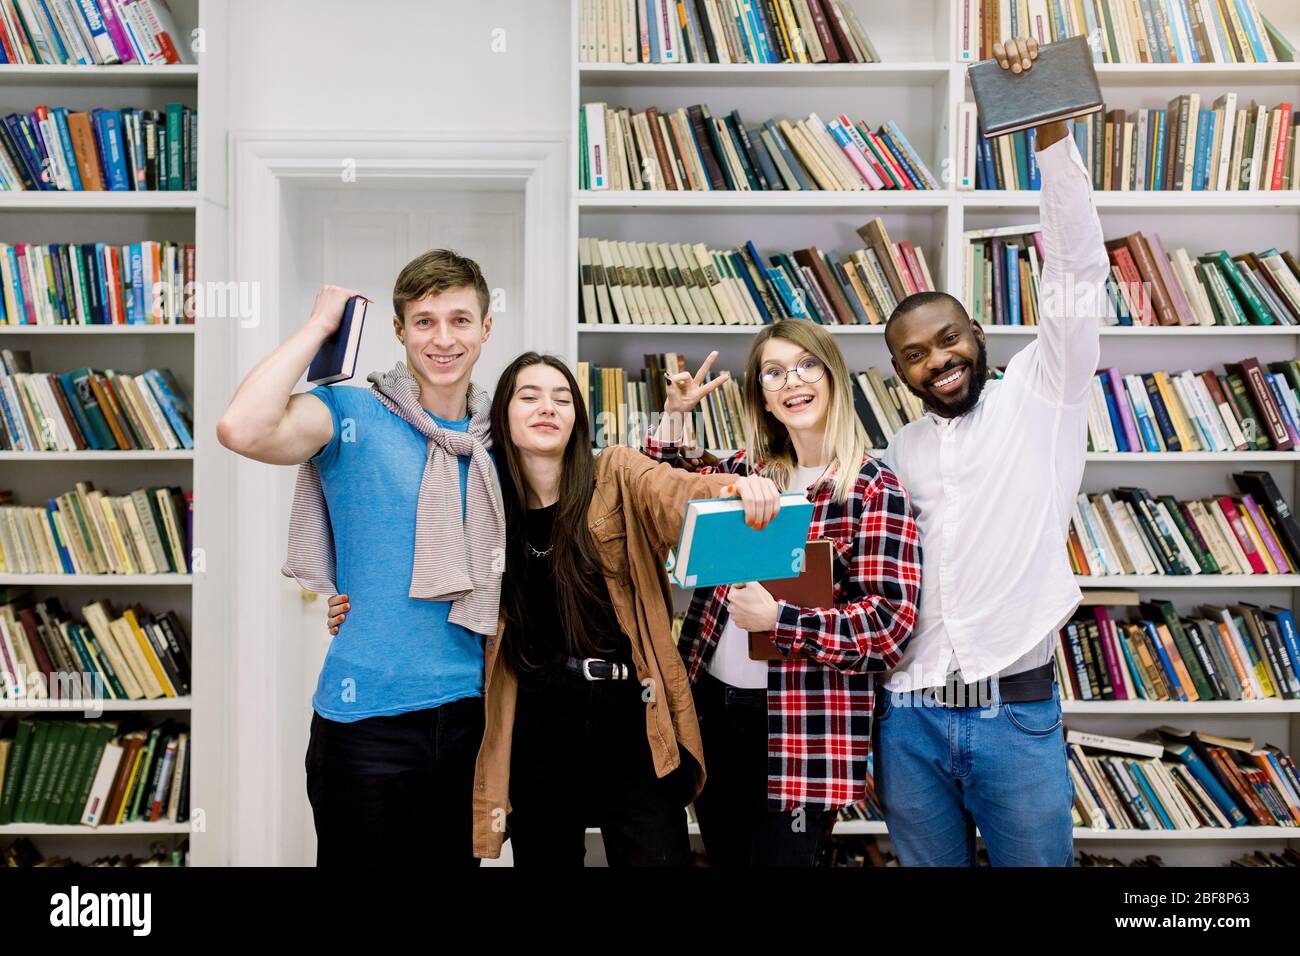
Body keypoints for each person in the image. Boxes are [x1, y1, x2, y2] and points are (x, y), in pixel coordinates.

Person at [327, 353, 785, 865]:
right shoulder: (480, 492)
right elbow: (422, 564)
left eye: (562, 398)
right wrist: (355, 606)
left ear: (577, 417)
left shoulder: (615, 472)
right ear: (502, 414)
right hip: (536, 718)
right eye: (529, 397)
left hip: (630, 712)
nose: (547, 408)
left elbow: (675, 492)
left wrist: (735, 488)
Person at [877, 36, 1109, 867]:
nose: (938, 360)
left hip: (1014, 718)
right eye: (916, 354)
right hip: (907, 720)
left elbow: (1077, 271)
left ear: (977, 336)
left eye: (949, 340)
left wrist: (1047, 126)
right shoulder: (894, 455)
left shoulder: (1042, 399)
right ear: (898, 371)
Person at [216, 249, 500, 866]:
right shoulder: (351, 413)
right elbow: (242, 427)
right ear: (398, 331)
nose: (443, 338)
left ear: (486, 328)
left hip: (471, 721)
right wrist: (319, 326)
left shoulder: (497, 441)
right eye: (424, 321)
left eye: (459, 319)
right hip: (364, 722)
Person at [644, 319, 922, 866]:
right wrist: (674, 418)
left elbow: (889, 626)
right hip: (714, 710)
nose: (792, 381)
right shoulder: (749, 471)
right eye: (774, 372)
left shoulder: (871, 487)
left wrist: (781, 620)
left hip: (803, 725)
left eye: (806, 365)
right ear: (763, 398)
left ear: (833, 377)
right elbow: (654, 497)